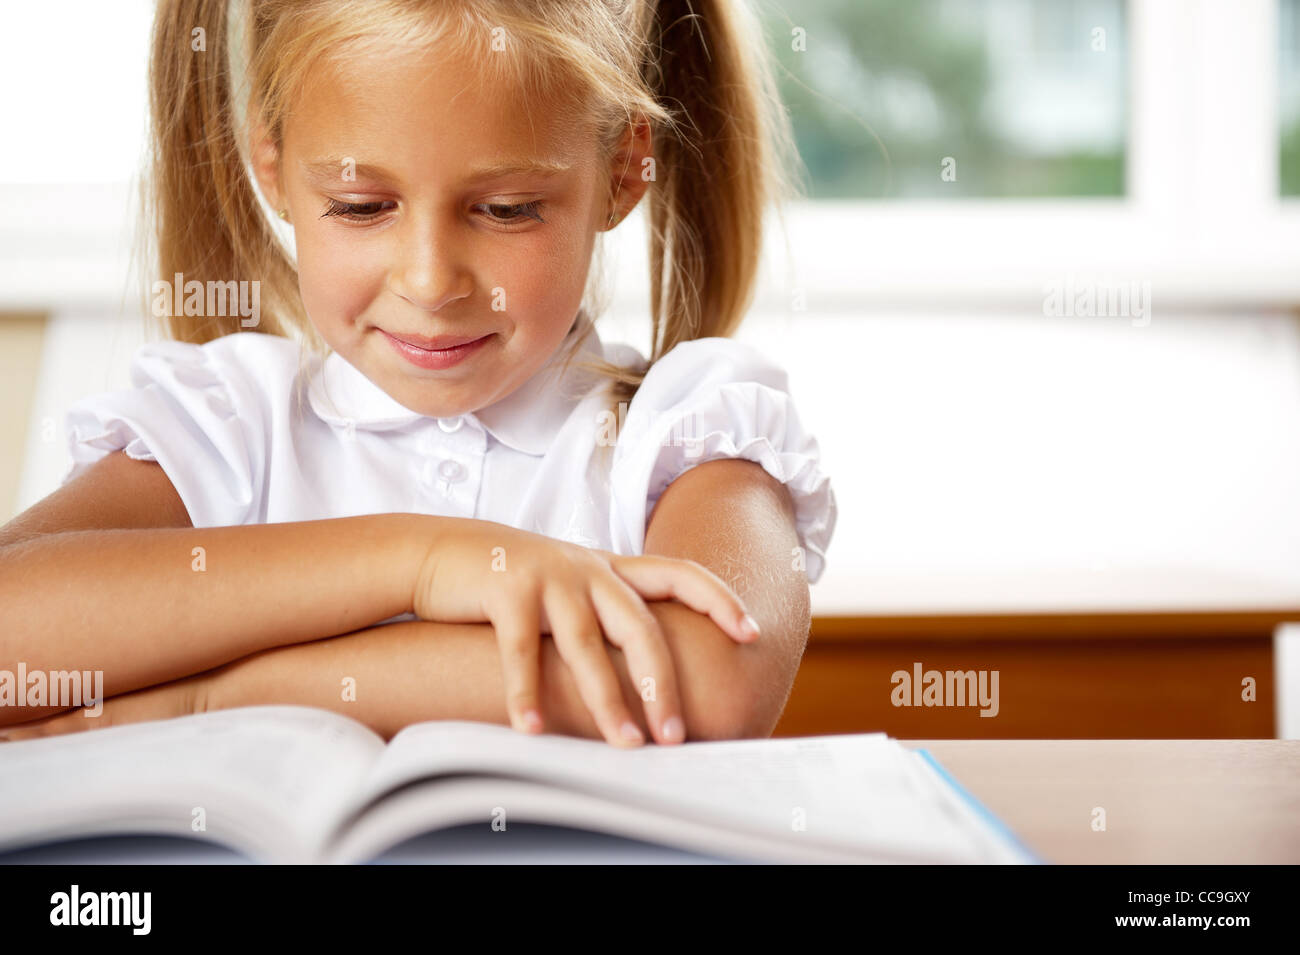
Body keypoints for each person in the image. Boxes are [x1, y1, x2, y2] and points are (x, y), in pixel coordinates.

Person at [0, 0, 836, 747]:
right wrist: (420, 561)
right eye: (362, 207)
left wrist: (227, 694)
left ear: (621, 172)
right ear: (272, 165)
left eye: (507, 209)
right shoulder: (230, 425)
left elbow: (712, 680)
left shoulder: (688, 430)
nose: (431, 281)